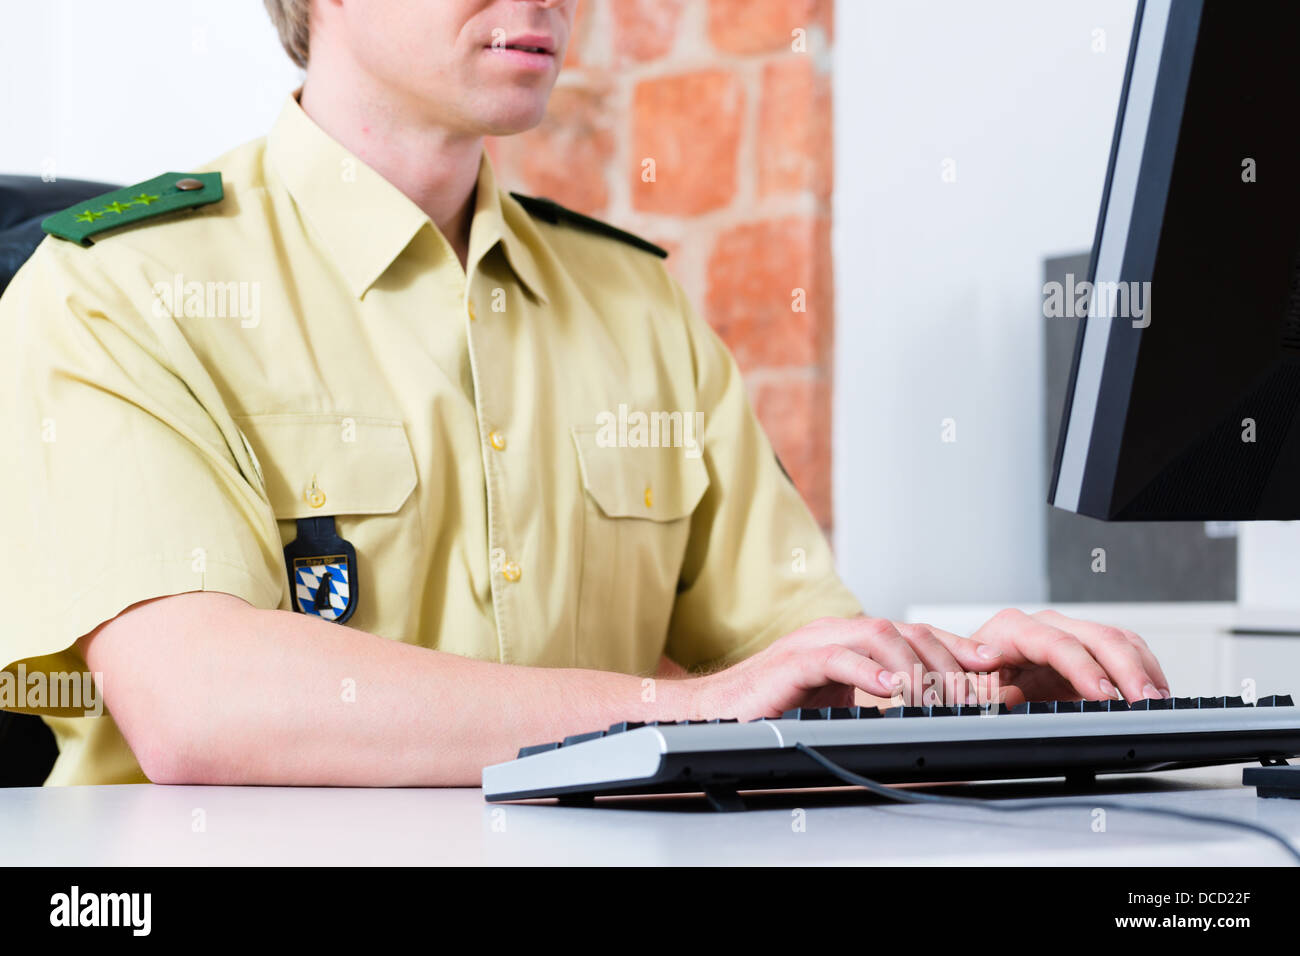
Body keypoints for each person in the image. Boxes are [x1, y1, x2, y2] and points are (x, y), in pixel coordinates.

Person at [0, 0, 1171, 787]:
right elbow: (201, 704)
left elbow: (791, 663)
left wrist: (958, 685)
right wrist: (691, 710)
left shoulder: (634, 301)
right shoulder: (119, 285)